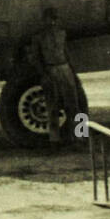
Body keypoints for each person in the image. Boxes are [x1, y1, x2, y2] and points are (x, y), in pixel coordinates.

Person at [31, 8, 80, 145]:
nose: (52, 21)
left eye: (54, 18)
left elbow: (67, 53)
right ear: (44, 20)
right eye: (49, 18)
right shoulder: (38, 37)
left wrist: (72, 72)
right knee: (52, 107)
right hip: (50, 70)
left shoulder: (62, 34)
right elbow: (36, 58)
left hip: (65, 68)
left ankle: (79, 137)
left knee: (74, 105)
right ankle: (54, 140)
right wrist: (44, 74)